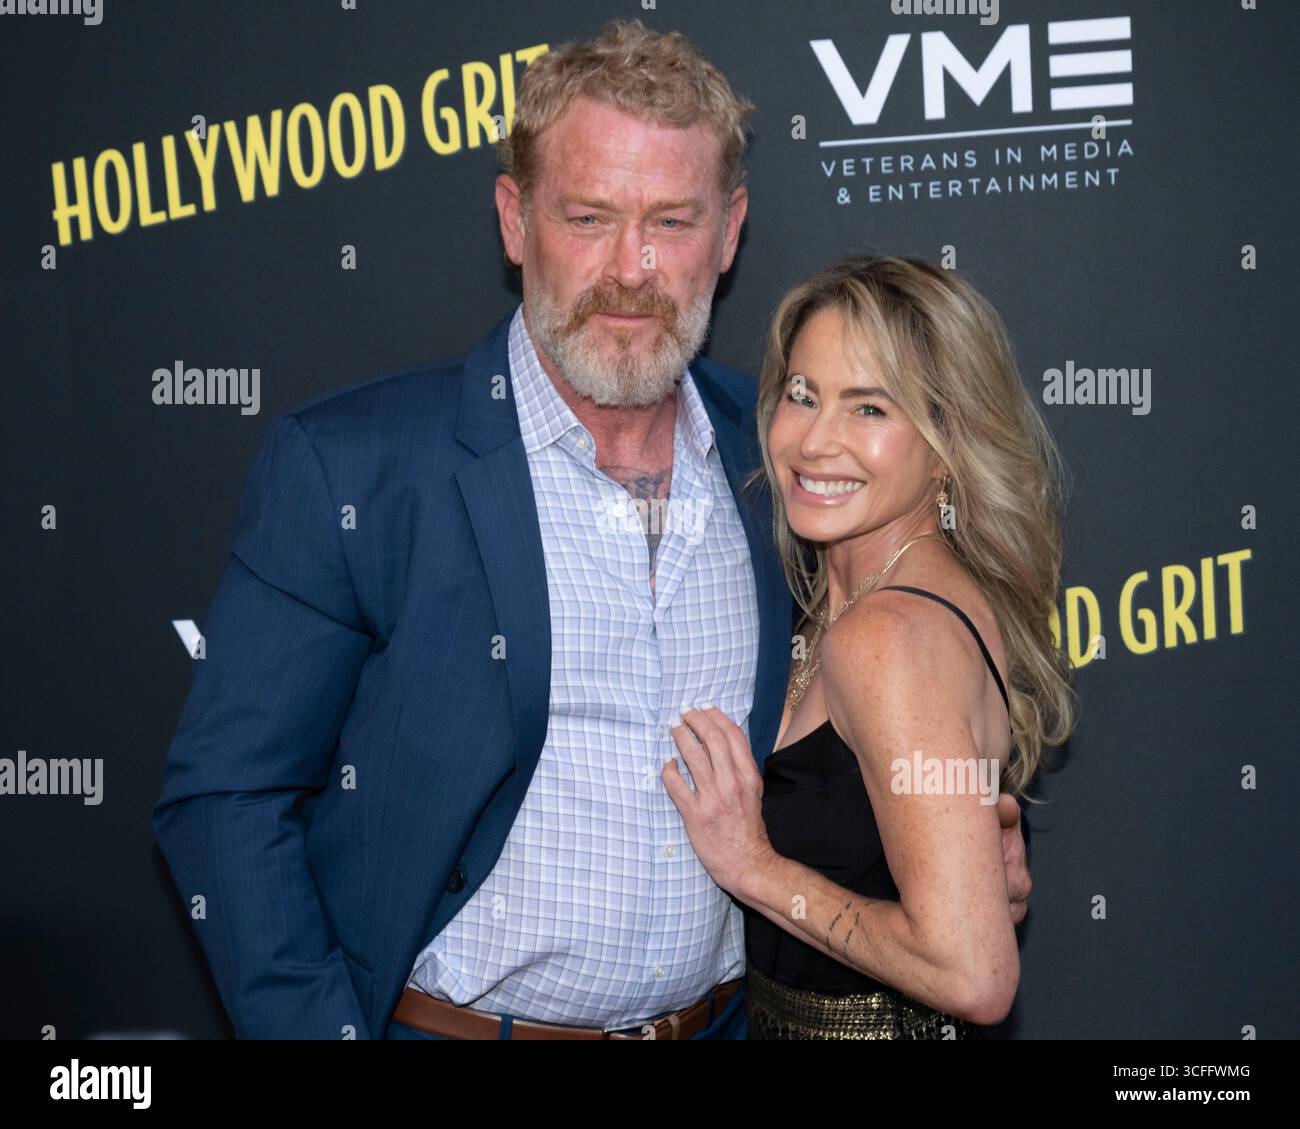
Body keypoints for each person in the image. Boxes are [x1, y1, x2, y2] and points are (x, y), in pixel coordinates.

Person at [151, 19, 1031, 1041]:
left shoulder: (791, 457)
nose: (632, 266)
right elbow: (226, 799)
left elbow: (889, 705)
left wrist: (948, 860)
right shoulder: (357, 468)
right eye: (588, 217)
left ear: (730, 228)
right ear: (515, 219)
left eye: (672, 218)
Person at [663, 256, 1074, 1038]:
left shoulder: (885, 637)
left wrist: (753, 865)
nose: (816, 442)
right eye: (803, 394)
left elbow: (976, 974)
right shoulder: (844, 599)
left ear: (947, 438)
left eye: (870, 409)